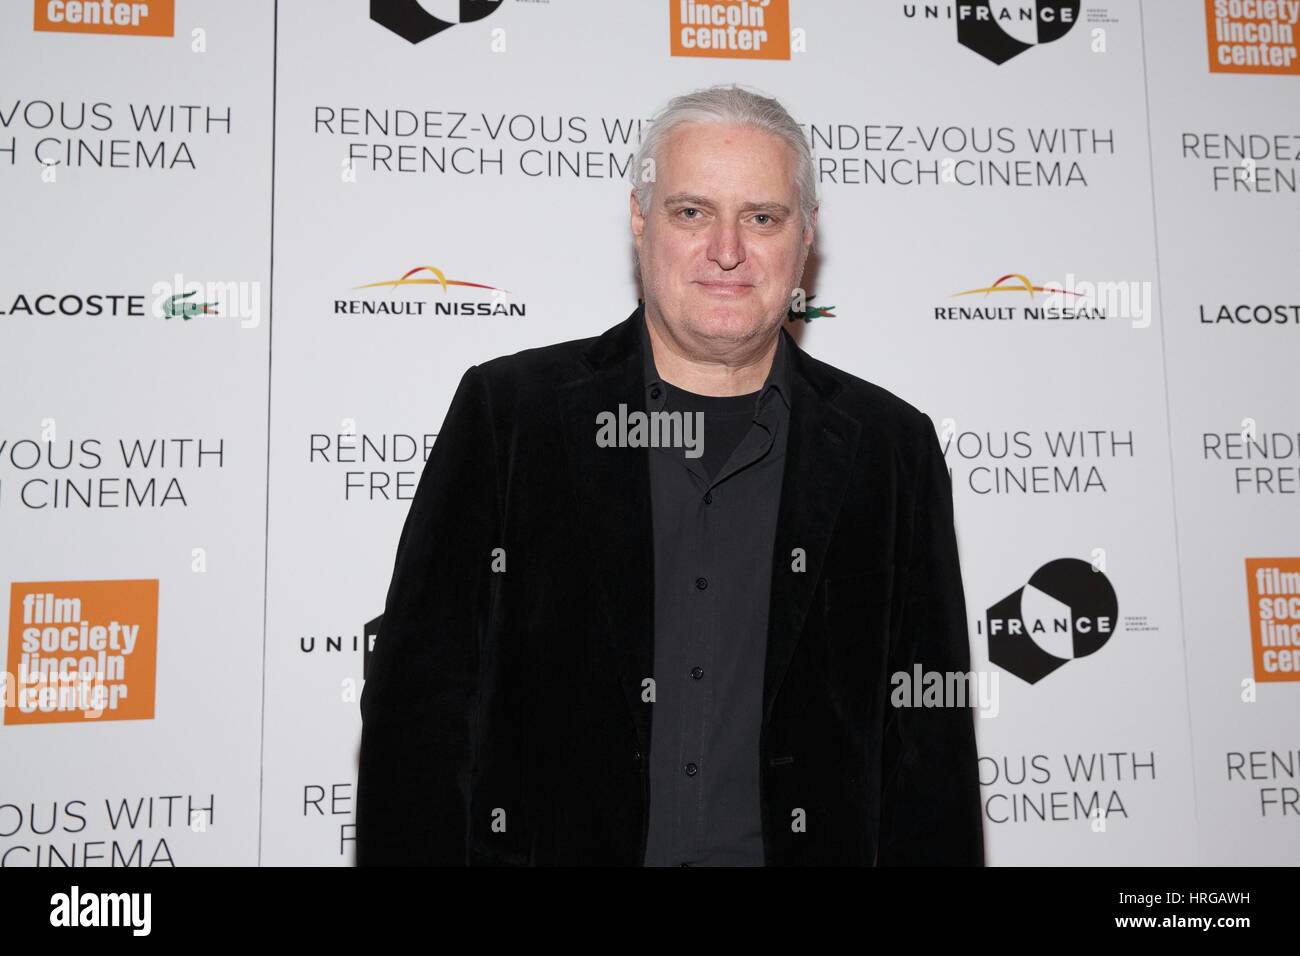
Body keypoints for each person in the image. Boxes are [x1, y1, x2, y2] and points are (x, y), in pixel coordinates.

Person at [356, 83, 984, 866]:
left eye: (763, 216)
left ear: (806, 236)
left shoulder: (893, 447)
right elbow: (419, 710)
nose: (728, 249)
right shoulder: (510, 415)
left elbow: (931, 754)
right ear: (640, 219)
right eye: (693, 212)